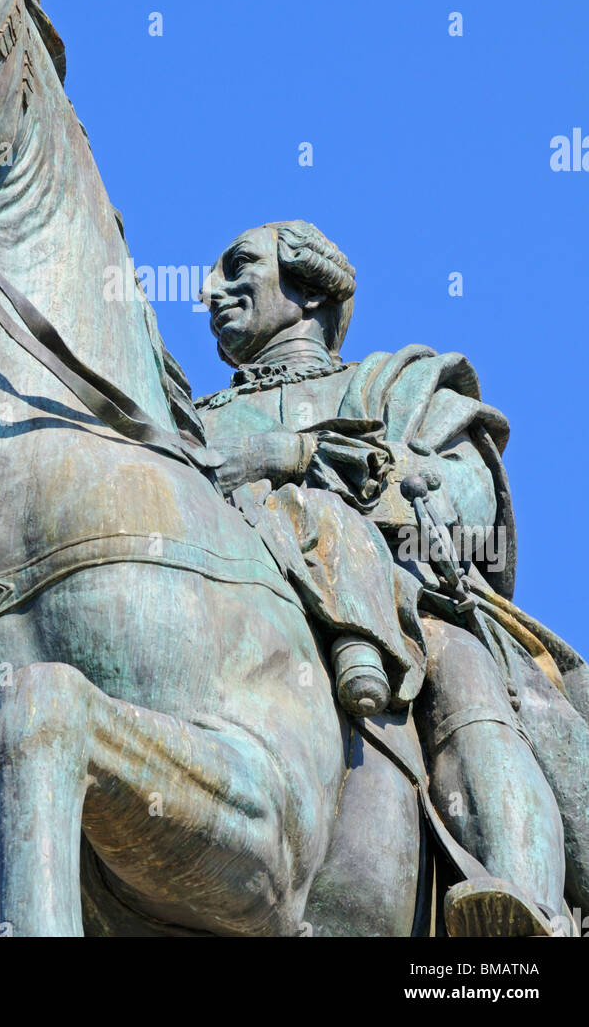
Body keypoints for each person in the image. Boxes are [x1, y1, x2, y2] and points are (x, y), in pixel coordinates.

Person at [197, 219, 588, 936]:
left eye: (236, 267)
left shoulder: (397, 386)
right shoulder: (188, 422)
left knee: (458, 668)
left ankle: (519, 908)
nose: (208, 290)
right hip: (229, 607)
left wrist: (290, 457)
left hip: (404, 602)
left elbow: (464, 506)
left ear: (311, 289)